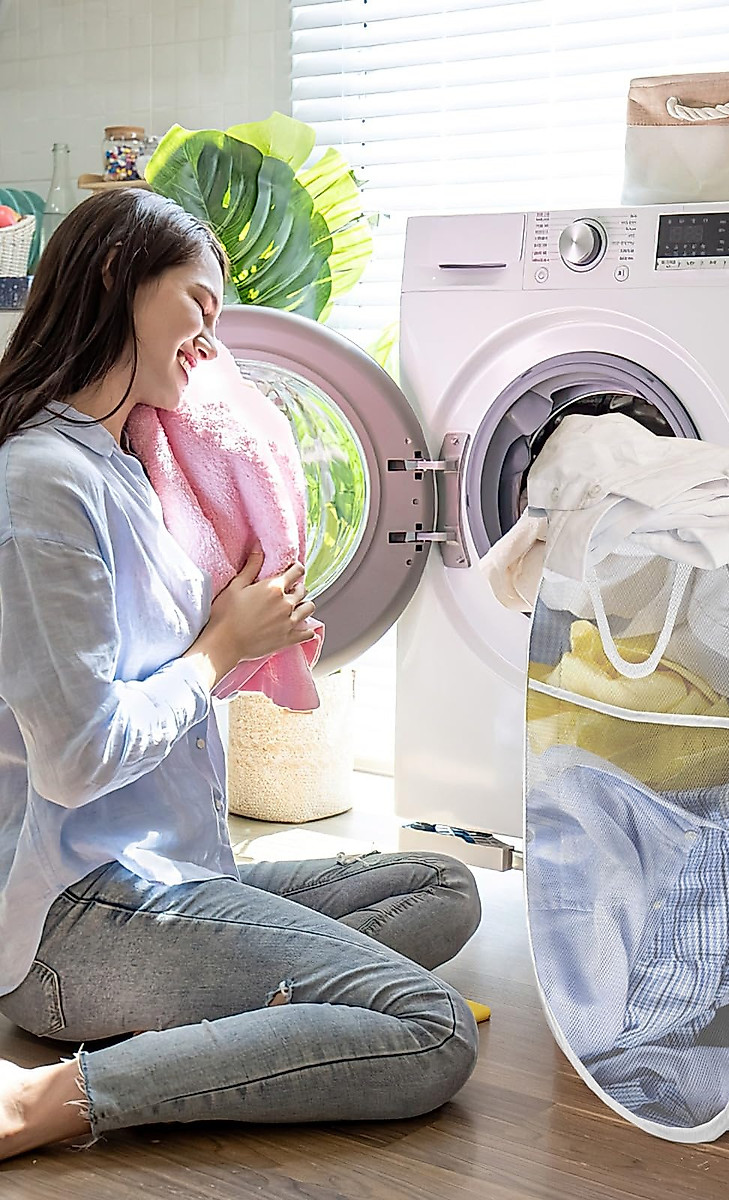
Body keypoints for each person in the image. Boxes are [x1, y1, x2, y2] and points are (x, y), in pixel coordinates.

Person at [0, 190, 481, 1163]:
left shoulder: (129, 465)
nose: (210, 340)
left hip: (172, 872)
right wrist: (222, 644)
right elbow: (77, 762)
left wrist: (239, 627)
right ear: (116, 276)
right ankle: (46, 1098)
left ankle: (274, 1015)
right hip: (77, 917)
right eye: (200, 302)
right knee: (432, 1030)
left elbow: (153, 675)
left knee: (443, 884)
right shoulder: (40, 482)